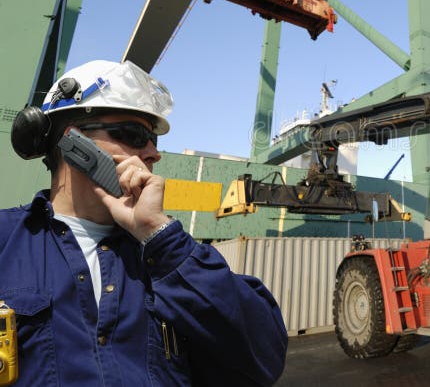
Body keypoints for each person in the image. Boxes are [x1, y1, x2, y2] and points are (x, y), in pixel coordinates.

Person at [1, 60, 287, 385]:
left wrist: (158, 235)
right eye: (135, 134)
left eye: (154, 139)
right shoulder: (5, 242)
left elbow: (265, 359)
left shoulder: (169, 256)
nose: (153, 152)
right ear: (74, 143)